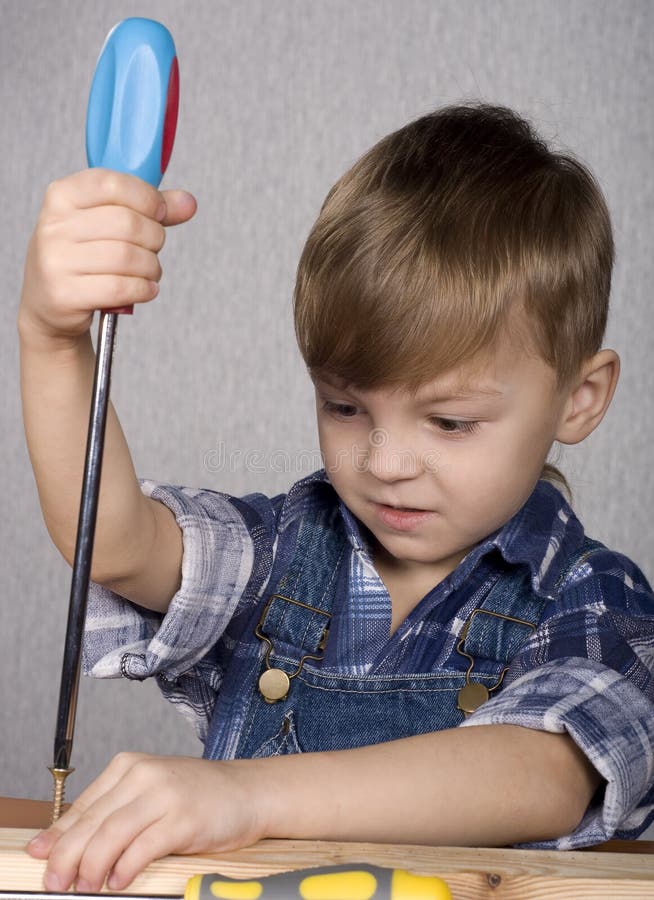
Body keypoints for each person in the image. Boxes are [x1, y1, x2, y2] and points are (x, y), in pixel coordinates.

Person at [19, 103, 654, 893]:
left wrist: (241, 797)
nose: (386, 463)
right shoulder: (282, 551)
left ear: (581, 397)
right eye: (345, 407)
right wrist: (52, 339)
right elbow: (114, 544)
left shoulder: (592, 599)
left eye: (451, 421)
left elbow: (542, 772)